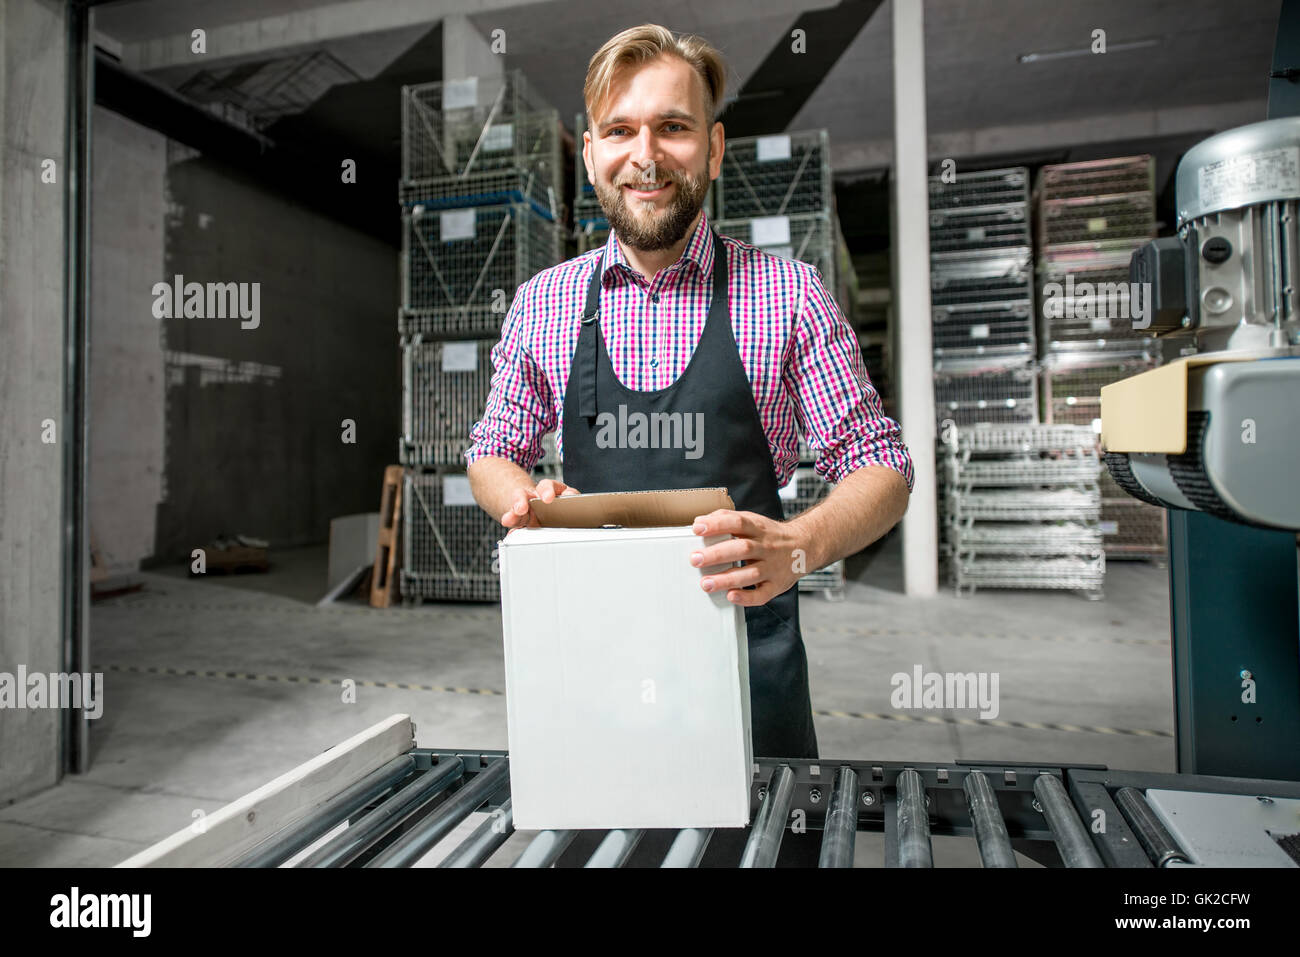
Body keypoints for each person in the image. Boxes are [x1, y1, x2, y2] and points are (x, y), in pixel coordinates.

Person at [466, 23, 913, 865]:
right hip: (598, 670)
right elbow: (492, 448)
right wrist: (522, 500)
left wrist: (802, 542)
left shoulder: (787, 294)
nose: (647, 155)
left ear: (711, 149)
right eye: (622, 130)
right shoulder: (545, 304)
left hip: (751, 674)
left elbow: (883, 465)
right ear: (591, 150)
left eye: (673, 127)